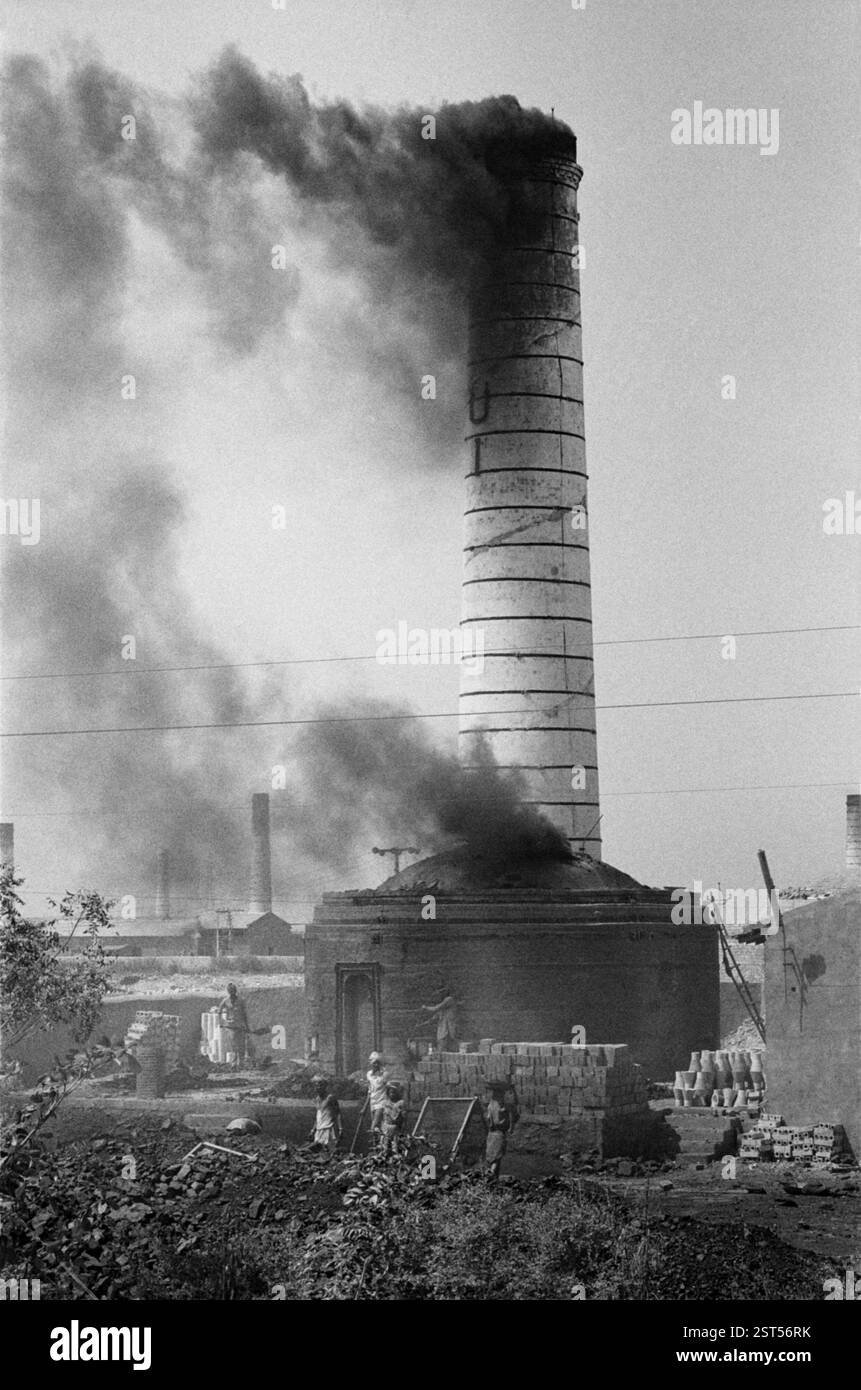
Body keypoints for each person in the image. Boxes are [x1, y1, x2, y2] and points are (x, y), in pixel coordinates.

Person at [484, 1081, 516, 1180]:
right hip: (498, 1133)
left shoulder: (490, 1105)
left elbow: (489, 1118)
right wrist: (510, 1126)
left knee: (491, 1156)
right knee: (496, 1158)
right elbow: (510, 1115)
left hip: (491, 1133)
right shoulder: (501, 1106)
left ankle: (493, 1177)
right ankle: (491, 1176)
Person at [217, 983, 250, 1070]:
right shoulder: (225, 1001)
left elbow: (244, 1014)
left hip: (240, 1026)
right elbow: (219, 1011)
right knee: (234, 1046)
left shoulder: (241, 1001)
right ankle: (234, 1064)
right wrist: (221, 1022)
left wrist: (247, 1026)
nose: (232, 994)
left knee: (242, 1045)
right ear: (229, 992)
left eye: (233, 992)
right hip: (231, 1026)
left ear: (235, 991)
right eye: (230, 992)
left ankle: (241, 1063)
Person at [309, 1078, 342, 1155]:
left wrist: (340, 1128)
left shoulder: (330, 1098)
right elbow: (318, 1116)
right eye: (316, 1086)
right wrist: (312, 1130)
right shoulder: (317, 1099)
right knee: (318, 1152)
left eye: (320, 1086)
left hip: (329, 1128)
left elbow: (338, 1113)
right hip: (319, 1129)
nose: (318, 1088)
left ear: (324, 1087)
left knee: (330, 1151)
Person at [366, 1052, 390, 1145]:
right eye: (374, 1062)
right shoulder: (369, 1074)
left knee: (373, 1126)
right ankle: (377, 1147)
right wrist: (365, 1107)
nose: (375, 1064)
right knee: (377, 1128)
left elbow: (388, 1089)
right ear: (371, 1063)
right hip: (372, 1102)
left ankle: (377, 1146)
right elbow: (370, 1091)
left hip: (382, 1102)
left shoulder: (384, 1074)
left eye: (377, 1062)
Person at [378, 1082, 405, 1158]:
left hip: (395, 1128)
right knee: (384, 1148)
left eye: (394, 1092)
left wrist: (402, 1129)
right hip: (386, 1127)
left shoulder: (400, 1103)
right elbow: (381, 1116)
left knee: (395, 1148)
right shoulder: (385, 1103)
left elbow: (403, 1117)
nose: (392, 1094)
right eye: (390, 1092)